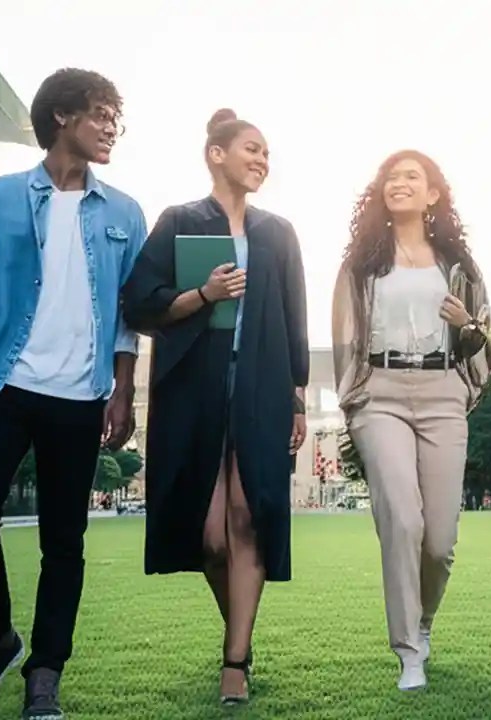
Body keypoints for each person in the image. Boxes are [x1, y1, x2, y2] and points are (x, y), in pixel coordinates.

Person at [0, 68, 146, 720]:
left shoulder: (126, 213)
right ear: (60, 118)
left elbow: (130, 314)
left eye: (116, 118)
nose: (111, 128)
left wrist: (124, 389)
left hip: (80, 398)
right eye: (100, 114)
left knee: (63, 544)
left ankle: (44, 672)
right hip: (2, 383)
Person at [121, 108, 309, 706]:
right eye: (252, 148)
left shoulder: (277, 232)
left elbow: (292, 318)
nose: (261, 161)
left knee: (250, 515)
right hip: (192, 390)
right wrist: (204, 294)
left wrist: (298, 395)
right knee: (209, 536)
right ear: (216, 154)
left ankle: (236, 659)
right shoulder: (181, 220)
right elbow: (141, 303)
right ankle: (240, 635)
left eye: (267, 154)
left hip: (262, 388)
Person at [331, 149, 491, 691]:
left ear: (432, 195)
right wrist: (354, 397)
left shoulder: (459, 266)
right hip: (381, 395)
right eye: (390, 177)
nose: (398, 183)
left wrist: (466, 322)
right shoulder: (362, 264)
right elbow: (345, 335)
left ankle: (423, 624)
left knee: (439, 540)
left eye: (411, 177)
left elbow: (482, 338)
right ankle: (408, 652)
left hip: (443, 393)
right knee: (402, 520)